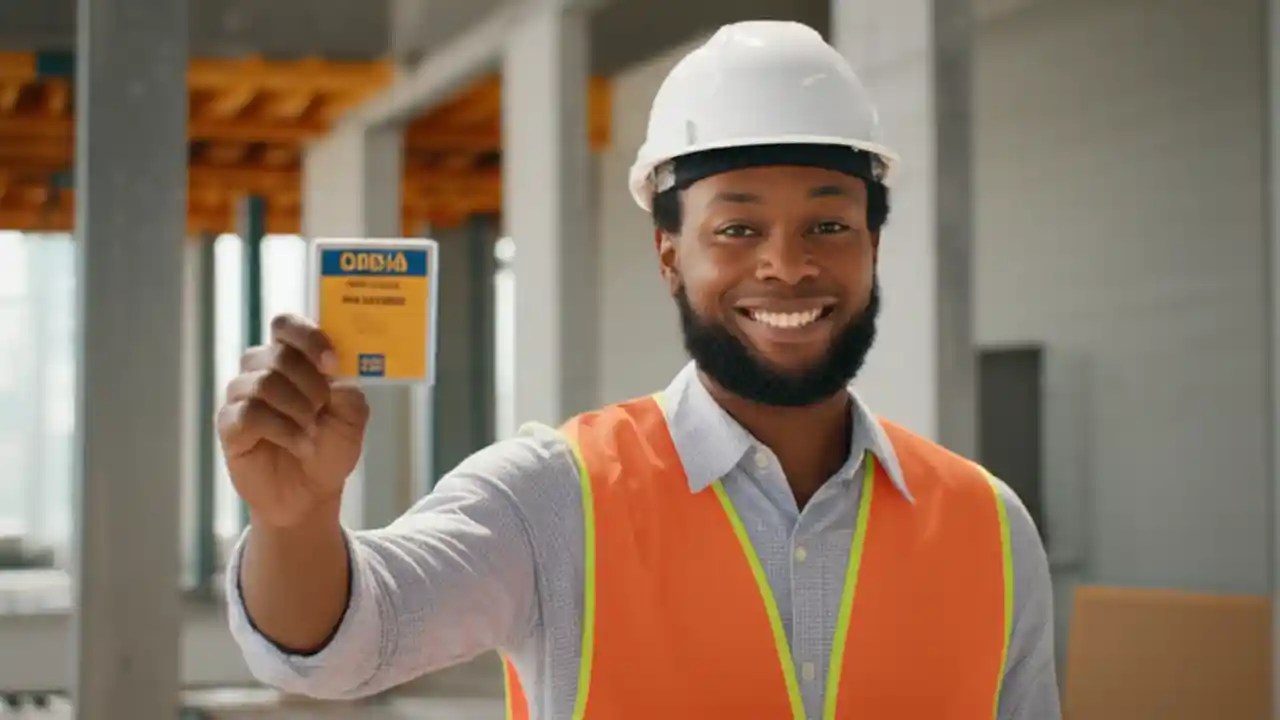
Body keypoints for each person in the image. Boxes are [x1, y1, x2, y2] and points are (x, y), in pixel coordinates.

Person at [219, 19, 1060, 719]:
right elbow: (347, 646)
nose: (786, 265)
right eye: (737, 229)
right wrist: (297, 524)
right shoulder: (553, 497)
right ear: (669, 255)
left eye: (828, 226)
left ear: (873, 244)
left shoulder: (989, 525)